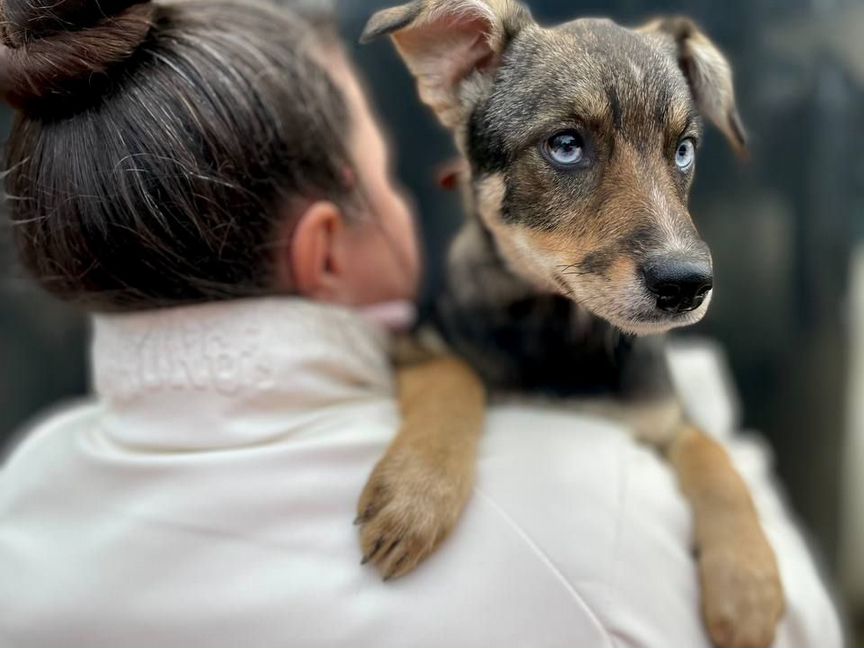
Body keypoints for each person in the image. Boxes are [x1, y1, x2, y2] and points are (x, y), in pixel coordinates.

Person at [0, 0, 842, 646]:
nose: (675, 242)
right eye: (568, 146)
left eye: (681, 150)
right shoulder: (600, 519)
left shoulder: (24, 496)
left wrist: (714, 475)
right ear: (323, 250)